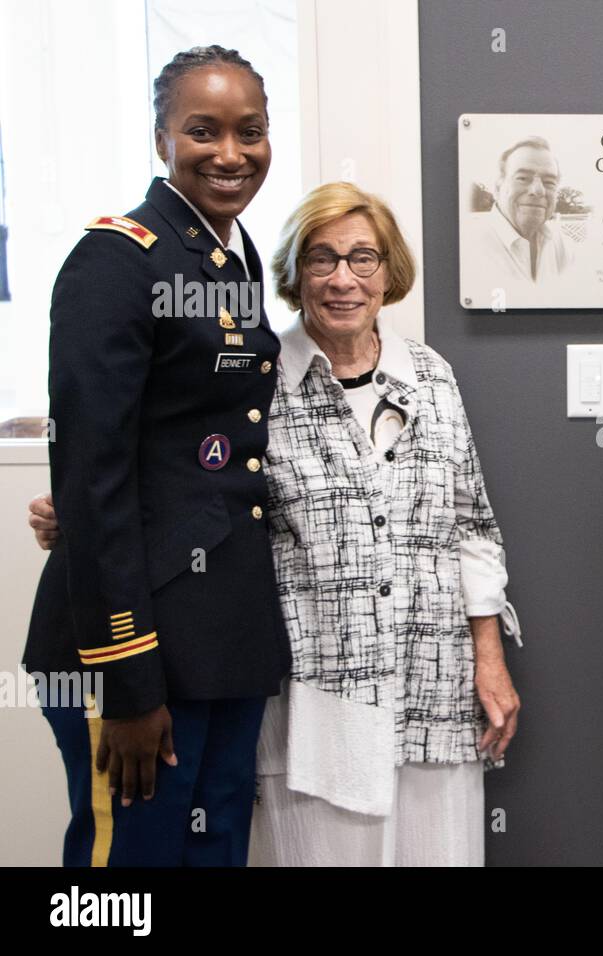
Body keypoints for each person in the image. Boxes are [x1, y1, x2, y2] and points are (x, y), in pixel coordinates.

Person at [34, 181, 524, 867]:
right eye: (322, 258)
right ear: (295, 273)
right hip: (318, 692)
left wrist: (490, 659)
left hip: (431, 683)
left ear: (390, 271)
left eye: (363, 258)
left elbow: (470, 525)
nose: (343, 278)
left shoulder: (432, 377)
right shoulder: (256, 380)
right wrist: (75, 515)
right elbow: (173, 475)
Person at [23, 45, 287, 867]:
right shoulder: (119, 259)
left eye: (251, 131)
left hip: (219, 643)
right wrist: (126, 681)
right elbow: (93, 480)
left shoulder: (227, 256)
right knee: (124, 877)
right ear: (161, 138)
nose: (230, 153)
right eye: (202, 131)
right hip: (135, 651)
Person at [463, 136, 574, 284]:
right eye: (523, 178)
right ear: (497, 188)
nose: (538, 190)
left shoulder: (562, 245)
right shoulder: (470, 247)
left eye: (549, 182)